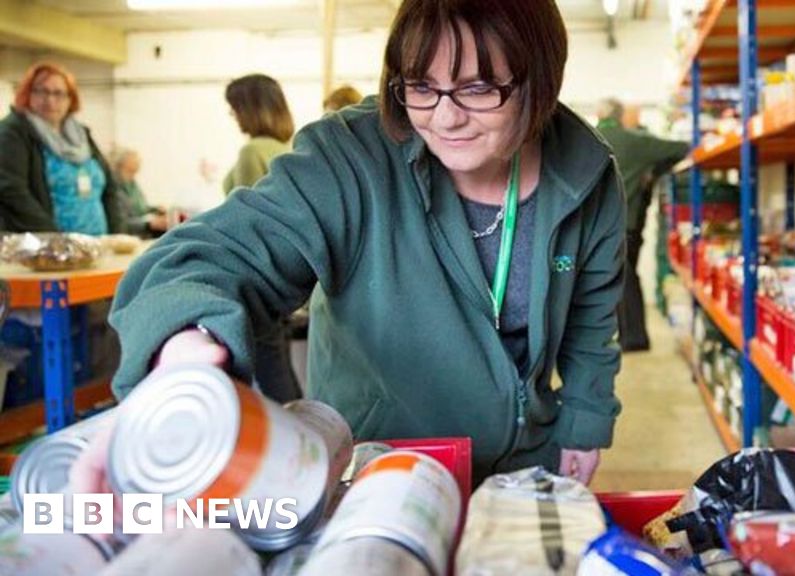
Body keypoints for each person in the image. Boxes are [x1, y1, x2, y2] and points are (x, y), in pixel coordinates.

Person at [104, 0, 624, 487]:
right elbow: (223, 253)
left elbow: (592, 313)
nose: (444, 118)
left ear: (541, 80)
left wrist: (585, 417)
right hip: (379, 468)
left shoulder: (585, 174)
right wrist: (185, 349)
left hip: (522, 464)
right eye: (421, 85)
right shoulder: (349, 158)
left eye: (478, 88)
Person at [221, 72, 302, 403]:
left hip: (256, 275)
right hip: (286, 275)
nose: (233, 116)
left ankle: (295, 441)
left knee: (271, 373)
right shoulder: (288, 148)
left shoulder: (252, 152)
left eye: (234, 108)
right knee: (279, 365)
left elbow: (247, 223)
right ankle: (306, 432)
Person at [596, 98, 687, 352]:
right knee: (627, 277)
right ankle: (634, 337)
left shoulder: (588, 138)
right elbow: (679, 148)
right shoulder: (634, 141)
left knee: (614, 279)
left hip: (596, 226)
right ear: (621, 115)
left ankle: (628, 336)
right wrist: (655, 171)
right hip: (627, 222)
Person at [0, 62, 123, 234]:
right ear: (27, 94)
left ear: (70, 99)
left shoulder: (82, 134)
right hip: (46, 250)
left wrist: (117, 234)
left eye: (58, 93)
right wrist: (55, 240)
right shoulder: (13, 132)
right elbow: (11, 190)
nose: (50, 100)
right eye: (41, 91)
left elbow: (109, 188)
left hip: (97, 246)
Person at [222, 73, 295, 194]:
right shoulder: (292, 147)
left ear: (249, 109)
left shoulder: (251, 151)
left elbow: (246, 210)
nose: (231, 113)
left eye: (235, 107)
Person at [109, 147, 170, 238]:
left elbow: (140, 209)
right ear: (121, 165)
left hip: (142, 233)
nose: (133, 176)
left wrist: (156, 209)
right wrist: (149, 224)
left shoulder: (133, 184)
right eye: (130, 171)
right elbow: (119, 225)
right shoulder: (114, 189)